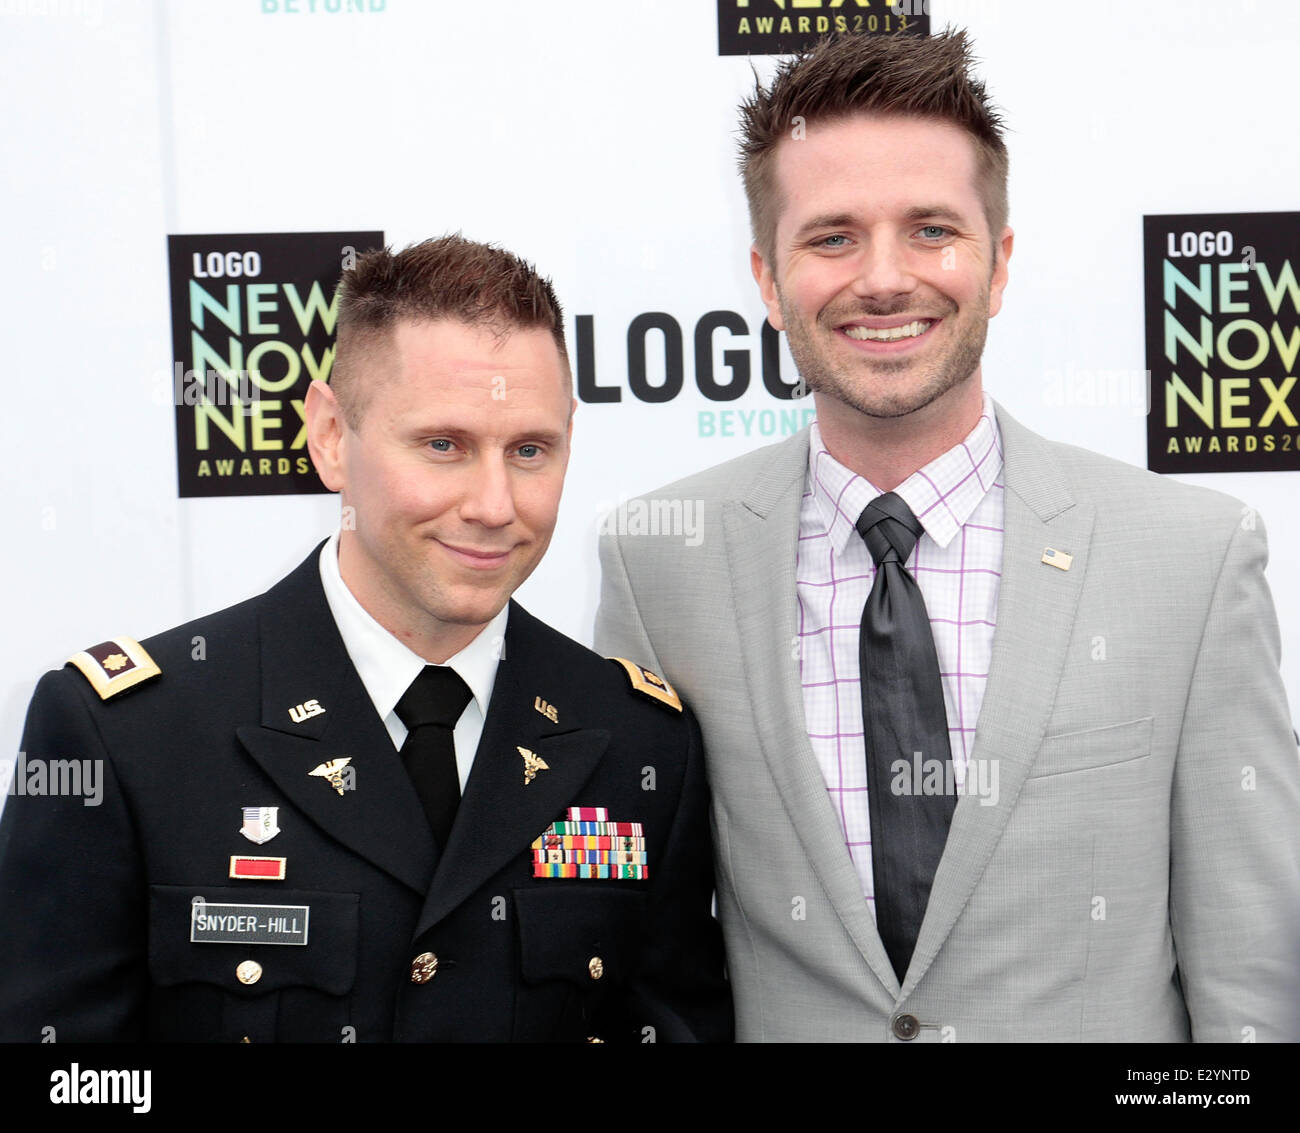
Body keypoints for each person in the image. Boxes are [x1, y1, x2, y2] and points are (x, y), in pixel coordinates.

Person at [594, 30, 1300, 1042]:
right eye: (831, 237)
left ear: (999, 262)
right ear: (765, 275)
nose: (884, 278)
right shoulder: (658, 562)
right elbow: (638, 948)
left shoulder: (1190, 557)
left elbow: (1255, 976)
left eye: (930, 229)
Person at [0, 236, 731, 1043]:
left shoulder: (641, 744)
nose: (494, 504)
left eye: (529, 450)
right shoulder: (126, 734)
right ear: (330, 436)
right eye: (443, 445)